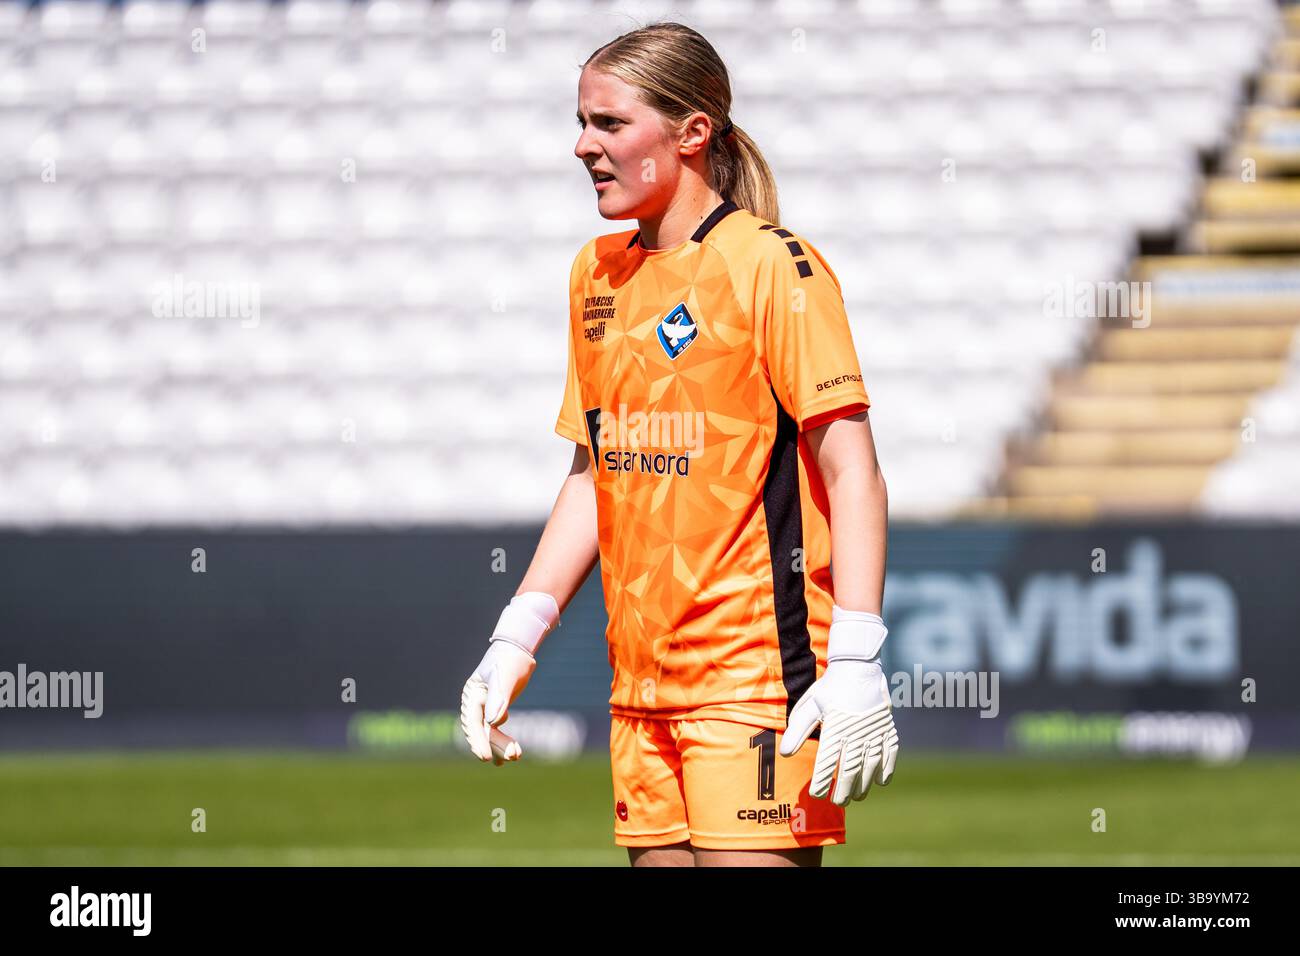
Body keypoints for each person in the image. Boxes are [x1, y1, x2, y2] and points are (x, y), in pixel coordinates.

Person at [461, 21, 897, 868]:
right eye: (582, 123)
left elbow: (854, 471)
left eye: (610, 124)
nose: (584, 146)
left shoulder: (772, 265)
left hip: (756, 680)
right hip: (639, 691)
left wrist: (857, 655)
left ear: (692, 132)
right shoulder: (596, 273)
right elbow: (596, 472)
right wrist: (514, 639)